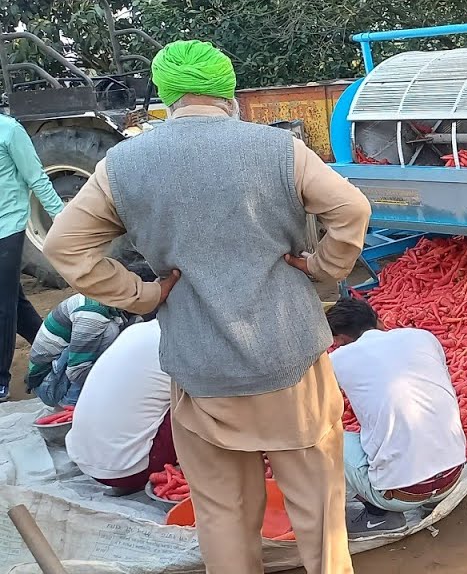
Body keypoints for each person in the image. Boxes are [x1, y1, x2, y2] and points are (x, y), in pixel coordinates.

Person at [43, 40, 371, 574]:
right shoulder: (277, 149)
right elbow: (351, 207)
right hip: (289, 359)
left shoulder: (123, 163)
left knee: (222, 513)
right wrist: (323, 267)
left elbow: (63, 246)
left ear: (168, 97)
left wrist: (141, 295)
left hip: (199, 367)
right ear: (228, 94)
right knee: (319, 511)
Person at [326, 298, 466, 537]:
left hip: (401, 494)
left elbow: (313, 410)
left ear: (340, 340)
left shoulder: (337, 360)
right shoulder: (423, 337)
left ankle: (379, 517)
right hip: (454, 478)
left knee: (323, 439)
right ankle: (431, 499)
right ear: (378, 321)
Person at [65, 317, 177, 493]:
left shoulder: (137, 330)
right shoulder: (183, 342)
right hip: (131, 470)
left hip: (84, 459)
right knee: (206, 398)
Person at [25, 259, 156, 408]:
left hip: (64, 373)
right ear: (137, 295)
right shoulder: (92, 314)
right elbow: (77, 371)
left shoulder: (121, 308)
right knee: (111, 333)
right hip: (50, 384)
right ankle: (73, 405)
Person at [0, 115, 65, 401]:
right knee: (13, 300)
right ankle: (54, 351)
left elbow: (36, 177)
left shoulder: (10, 131)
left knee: (3, 306)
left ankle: (1, 380)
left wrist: (63, 220)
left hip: (7, 227)